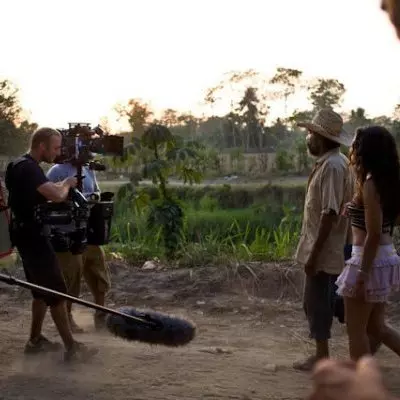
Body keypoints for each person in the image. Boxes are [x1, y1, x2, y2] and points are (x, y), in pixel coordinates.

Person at [5, 127, 98, 362]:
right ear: (41, 146)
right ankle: (72, 347)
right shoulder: (29, 168)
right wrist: (67, 183)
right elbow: (56, 195)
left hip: (23, 234)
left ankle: (35, 340)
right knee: (57, 292)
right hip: (34, 237)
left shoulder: (17, 165)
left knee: (40, 292)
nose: (58, 153)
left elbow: (43, 193)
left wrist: (61, 187)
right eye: (55, 148)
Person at [292, 108, 354, 371]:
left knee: (318, 302)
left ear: (321, 137)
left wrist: (314, 255)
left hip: (327, 250)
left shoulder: (332, 166)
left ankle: (324, 355)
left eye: (311, 134)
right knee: (334, 302)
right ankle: (368, 342)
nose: (308, 138)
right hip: (329, 248)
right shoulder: (332, 163)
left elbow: (329, 214)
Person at [335, 125, 400, 361]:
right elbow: (386, 220)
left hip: (367, 258)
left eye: (355, 146)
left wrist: (362, 273)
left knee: (357, 331)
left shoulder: (371, 183)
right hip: (384, 256)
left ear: (365, 151)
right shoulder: (386, 182)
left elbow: (372, 233)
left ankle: (360, 387)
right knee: (377, 328)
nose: (352, 150)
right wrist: (353, 209)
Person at [46, 159, 111, 332]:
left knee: (98, 270)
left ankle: (100, 315)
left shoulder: (88, 169)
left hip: (88, 229)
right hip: (67, 232)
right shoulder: (56, 171)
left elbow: (95, 191)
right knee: (71, 276)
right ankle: (67, 318)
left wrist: (94, 199)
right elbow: (48, 199)